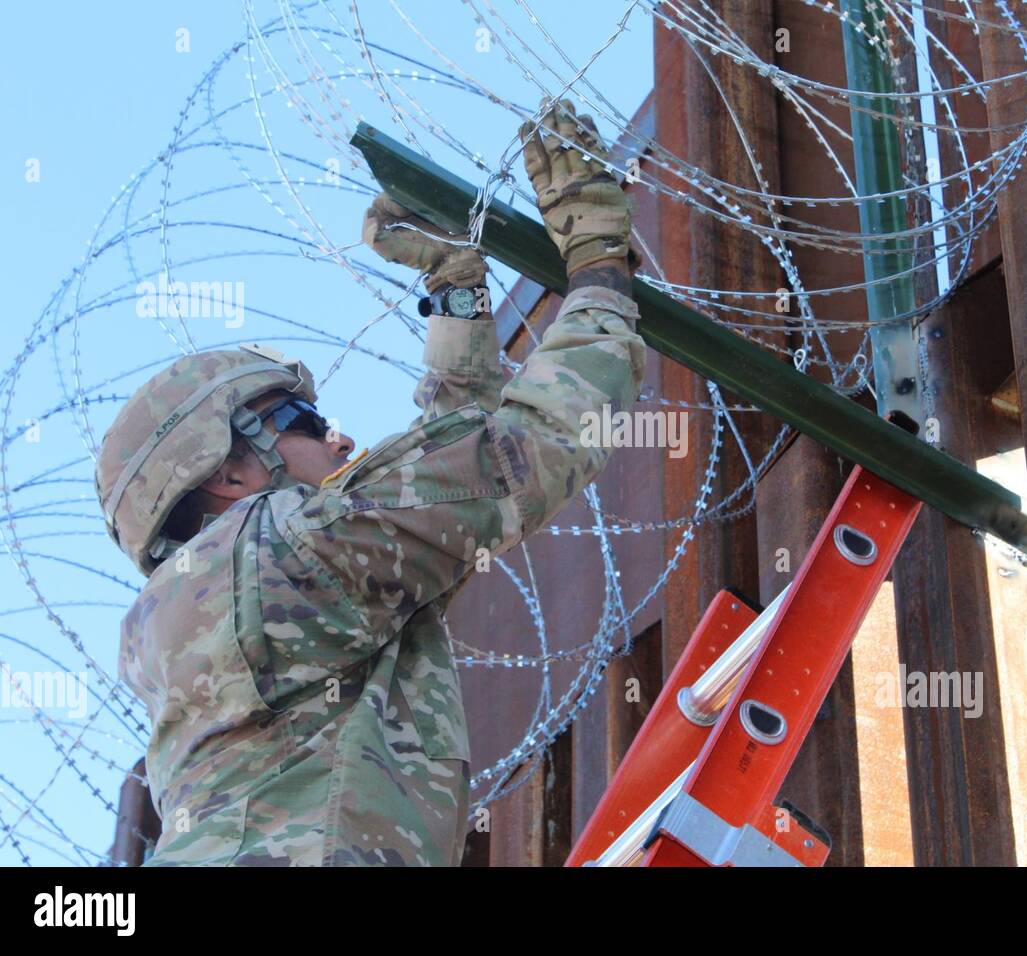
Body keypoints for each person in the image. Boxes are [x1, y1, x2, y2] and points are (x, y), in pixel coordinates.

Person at [95, 102, 646, 865]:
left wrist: (457, 295)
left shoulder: (219, 602)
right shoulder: (289, 552)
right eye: (299, 419)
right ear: (225, 468)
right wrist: (598, 261)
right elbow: (525, 452)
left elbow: (450, 487)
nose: (339, 438)